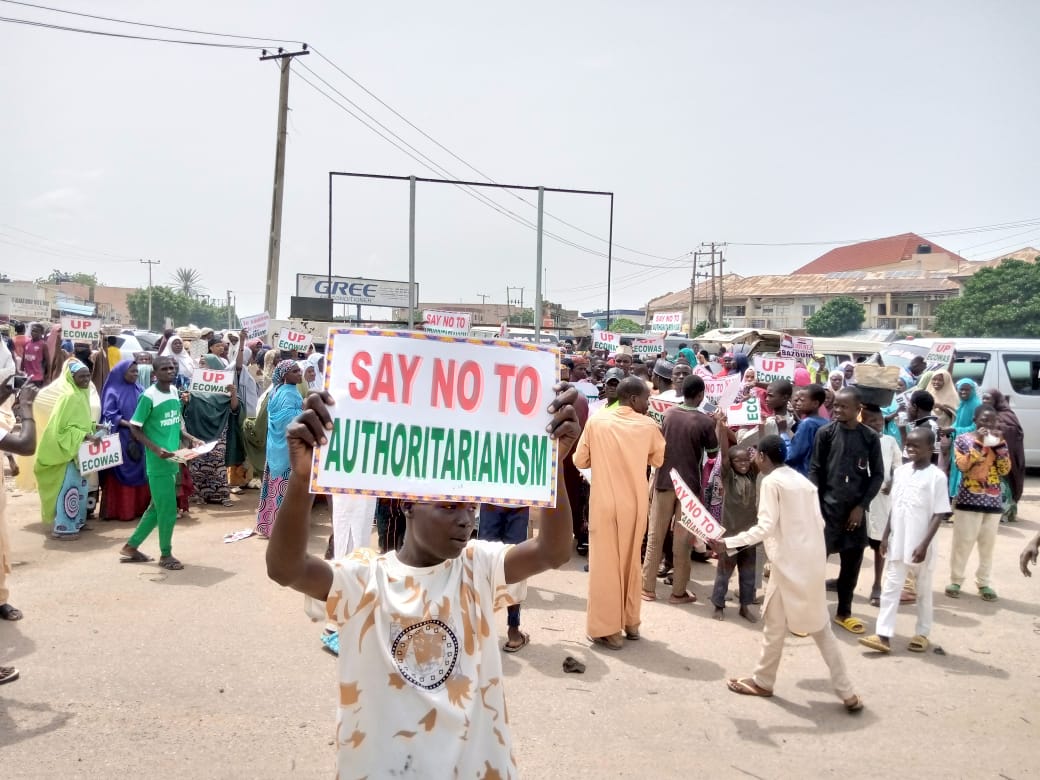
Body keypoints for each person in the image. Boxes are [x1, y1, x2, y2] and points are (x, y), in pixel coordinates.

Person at [265, 386, 579, 778]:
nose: (465, 520)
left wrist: (552, 466)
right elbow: (286, 569)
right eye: (448, 506)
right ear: (407, 505)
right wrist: (300, 480)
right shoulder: (364, 578)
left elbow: (552, 551)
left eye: (470, 507)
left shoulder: (477, 567)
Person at [710, 435, 862, 712]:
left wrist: (728, 543)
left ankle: (765, 681)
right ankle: (845, 691)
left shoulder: (772, 482)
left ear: (763, 457)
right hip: (811, 561)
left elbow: (765, 527)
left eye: (756, 455)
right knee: (810, 626)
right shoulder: (802, 482)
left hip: (787, 565)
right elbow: (818, 523)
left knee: (787, 626)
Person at [574, 377, 665, 650]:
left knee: (605, 567)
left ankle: (609, 630)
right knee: (631, 562)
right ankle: (631, 623)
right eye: (646, 399)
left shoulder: (597, 421)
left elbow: (580, 460)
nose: (648, 404)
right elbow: (657, 459)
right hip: (635, 505)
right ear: (634, 399)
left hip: (604, 504)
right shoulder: (649, 425)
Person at [859, 427, 951, 654]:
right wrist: (885, 535)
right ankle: (883, 635)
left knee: (923, 590)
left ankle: (922, 633)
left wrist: (924, 544)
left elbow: (939, 513)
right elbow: (895, 506)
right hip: (898, 541)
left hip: (921, 545)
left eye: (916, 446)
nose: (910, 449)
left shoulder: (937, 477)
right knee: (891, 588)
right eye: (908, 444)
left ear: (930, 448)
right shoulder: (900, 472)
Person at [808, 387, 884, 634]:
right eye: (836, 406)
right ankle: (809, 613)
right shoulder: (825, 433)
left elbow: (877, 475)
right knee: (816, 563)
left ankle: (844, 612)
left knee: (851, 564)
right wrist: (815, 504)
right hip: (827, 510)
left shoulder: (869, 437)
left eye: (844, 406)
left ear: (857, 409)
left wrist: (861, 507)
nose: (837, 410)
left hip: (855, 513)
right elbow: (815, 469)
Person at [120, 356, 202, 570]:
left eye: (172, 368)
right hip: (158, 463)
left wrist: (191, 438)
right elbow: (135, 427)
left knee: (157, 507)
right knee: (168, 510)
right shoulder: (148, 396)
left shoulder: (174, 391)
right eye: (164, 369)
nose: (170, 371)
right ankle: (166, 555)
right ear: (155, 373)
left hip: (173, 458)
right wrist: (156, 449)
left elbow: (176, 424)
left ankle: (131, 547)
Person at [641, 375, 716, 605]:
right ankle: (678, 592)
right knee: (682, 542)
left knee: (655, 536)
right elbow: (713, 454)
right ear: (701, 395)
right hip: (689, 488)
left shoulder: (669, 415)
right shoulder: (705, 422)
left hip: (664, 481)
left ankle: (647, 589)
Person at [945, 404, 1010, 602]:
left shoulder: (999, 442)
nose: (988, 424)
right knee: (962, 543)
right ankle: (956, 580)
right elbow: (962, 466)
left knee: (987, 546)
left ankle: (984, 583)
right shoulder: (963, 440)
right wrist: (979, 443)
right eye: (984, 420)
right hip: (968, 500)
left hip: (993, 502)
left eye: (992, 421)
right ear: (975, 420)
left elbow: (1005, 470)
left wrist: (1000, 447)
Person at [33, 361, 99, 540]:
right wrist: (86, 435)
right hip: (67, 453)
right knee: (69, 489)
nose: (86, 379)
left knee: (81, 488)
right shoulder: (69, 396)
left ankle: (78, 521)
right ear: (72, 377)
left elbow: (80, 422)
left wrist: (94, 426)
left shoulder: (82, 394)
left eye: (88, 375)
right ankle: (64, 527)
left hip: (80, 452)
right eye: (81, 376)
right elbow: (61, 429)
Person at [711, 410, 759, 622]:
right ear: (731, 464)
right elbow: (723, 454)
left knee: (748, 573)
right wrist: (721, 429)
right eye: (738, 461)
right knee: (724, 571)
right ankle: (718, 605)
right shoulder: (728, 476)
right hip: (730, 534)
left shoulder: (752, 474)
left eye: (746, 461)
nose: (743, 464)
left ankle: (745, 606)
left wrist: (763, 428)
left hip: (749, 534)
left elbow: (759, 452)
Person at [99, 359, 151, 521]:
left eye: (137, 371)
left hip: (139, 437)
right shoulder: (112, 391)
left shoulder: (140, 389)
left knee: (140, 468)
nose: (135, 374)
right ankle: (122, 511)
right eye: (132, 371)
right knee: (122, 469)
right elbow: (109, 415)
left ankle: (139, 508)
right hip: (122, 436)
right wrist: (130, 426)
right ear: (122, 372)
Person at [255, 360, 303, 538]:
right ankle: (280, 529)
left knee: (273, 487)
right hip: (287, 450)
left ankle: (268, 524)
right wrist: (306, 410)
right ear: (285, 375)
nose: (299, 373)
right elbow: (289, 421)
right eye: (295, 371)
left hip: (274, 446)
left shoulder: (276, 390)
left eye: (299, 370)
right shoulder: (289, 392)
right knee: (284, 488)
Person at [861, 406, 902, 607]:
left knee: (879, 543)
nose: (878, 424)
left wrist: (893, 481)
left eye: (880, 421)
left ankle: (877, 584)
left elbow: (898, 465)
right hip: (861, 499)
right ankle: (845, 580)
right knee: (856, 542)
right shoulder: (859, 440)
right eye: (872, 421)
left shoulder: (889, 441)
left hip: (882, 498)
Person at [984, 389, 1025, 523]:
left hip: (1004, 456)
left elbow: (1013, 432)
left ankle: (1007, 513)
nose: (985, 401)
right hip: (989, 457)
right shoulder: (984, 414)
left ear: (996, 400)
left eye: (988, 399)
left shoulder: (1007, 415)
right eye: (983, 398)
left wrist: (996, 428)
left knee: (1004, 485)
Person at [947, 378, 982, 499]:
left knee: (964, 469)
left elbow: (975, 427)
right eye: (961, 389)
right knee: (956, 468)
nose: (963, 392)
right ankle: (955, 496)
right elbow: (958, 422)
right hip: (959, 442)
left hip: (969, 444)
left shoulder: (976, 405)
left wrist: (954, 430)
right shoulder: (962, 403)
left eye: (967, 390)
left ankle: (961, 496)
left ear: (972, 390)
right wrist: (950, 428)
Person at [785, 384, 827, 476]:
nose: (798, 403)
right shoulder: (825, 421)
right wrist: (796, 417)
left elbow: (792, 456)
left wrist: (782, 432)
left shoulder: (807, 423)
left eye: (802, 400)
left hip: (805, 473)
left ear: (815, 404)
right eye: (797, 400)